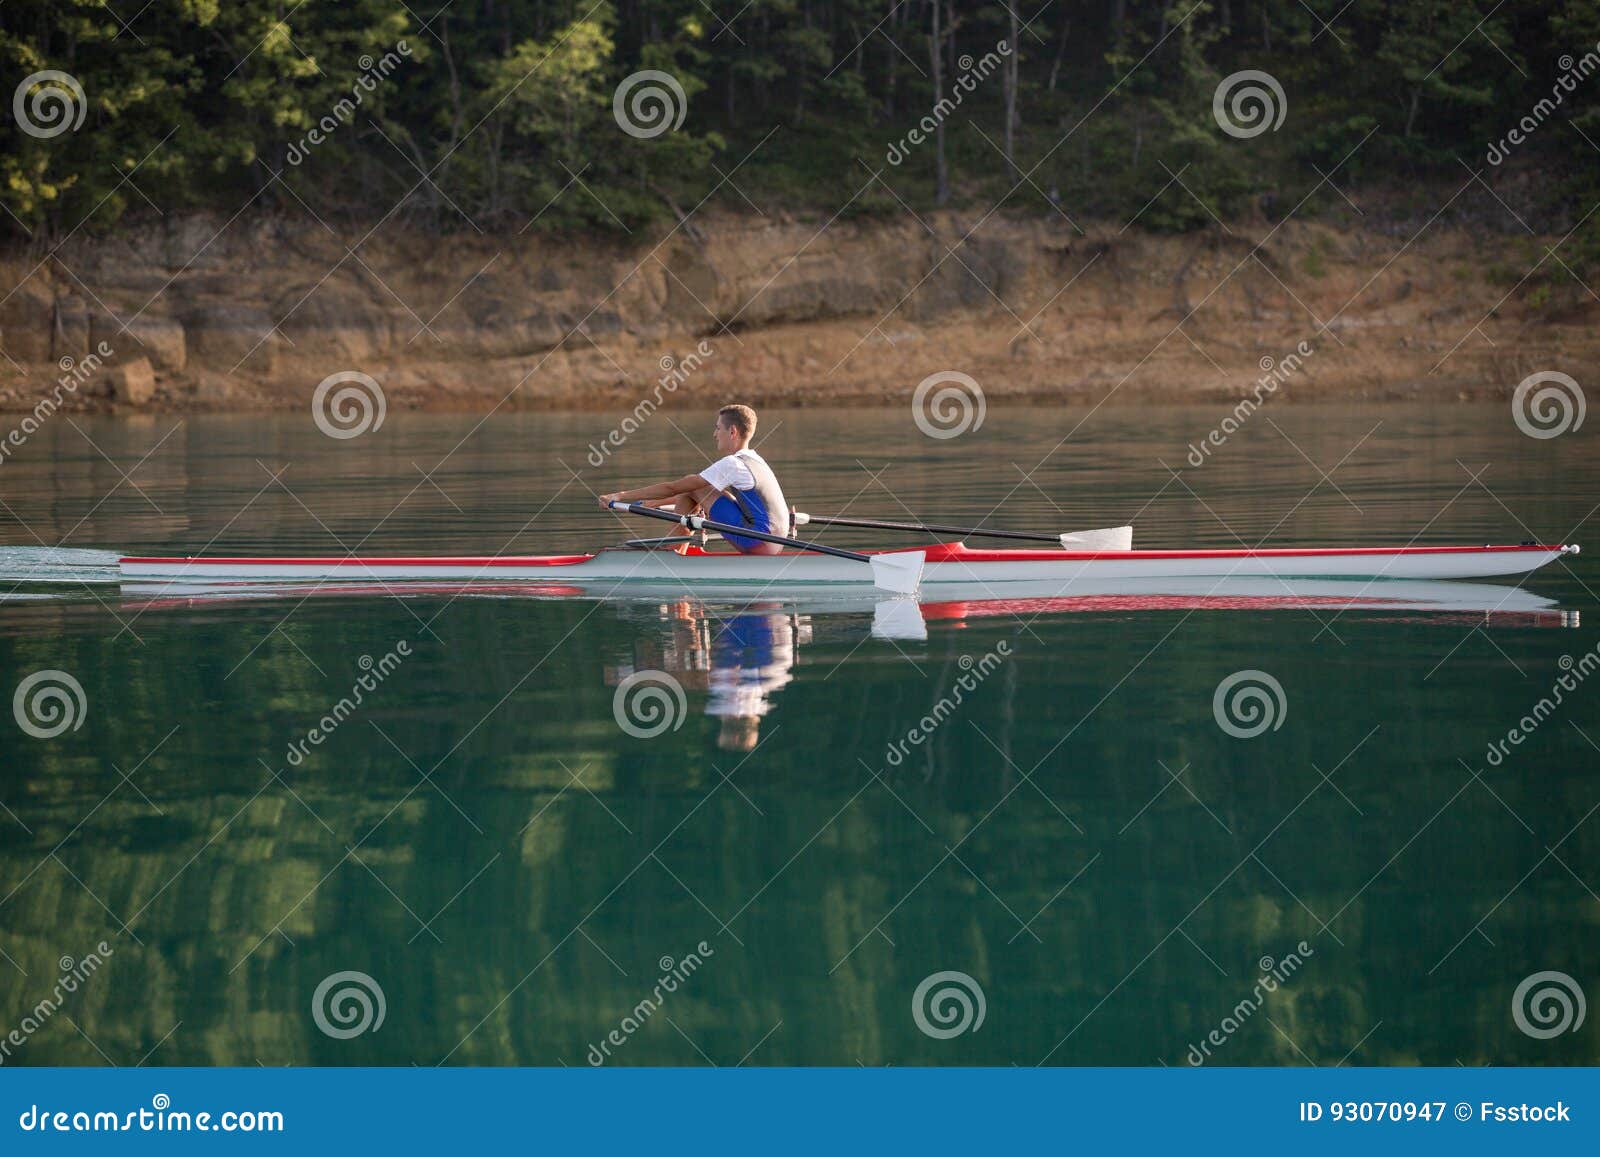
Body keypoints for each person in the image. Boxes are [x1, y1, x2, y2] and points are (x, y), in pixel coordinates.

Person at [598, 404, 790, 555]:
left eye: (718, 428)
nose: (715, 434)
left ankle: (674, 552)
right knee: (710, 490)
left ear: (732, 432)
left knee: (691, 482)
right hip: (776, 542)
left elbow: (673, 488)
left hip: (756, 542)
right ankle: (677, 548)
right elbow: (700, 493)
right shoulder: (756, 460)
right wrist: (655, 503)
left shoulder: (732, 464)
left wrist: (620, 495)